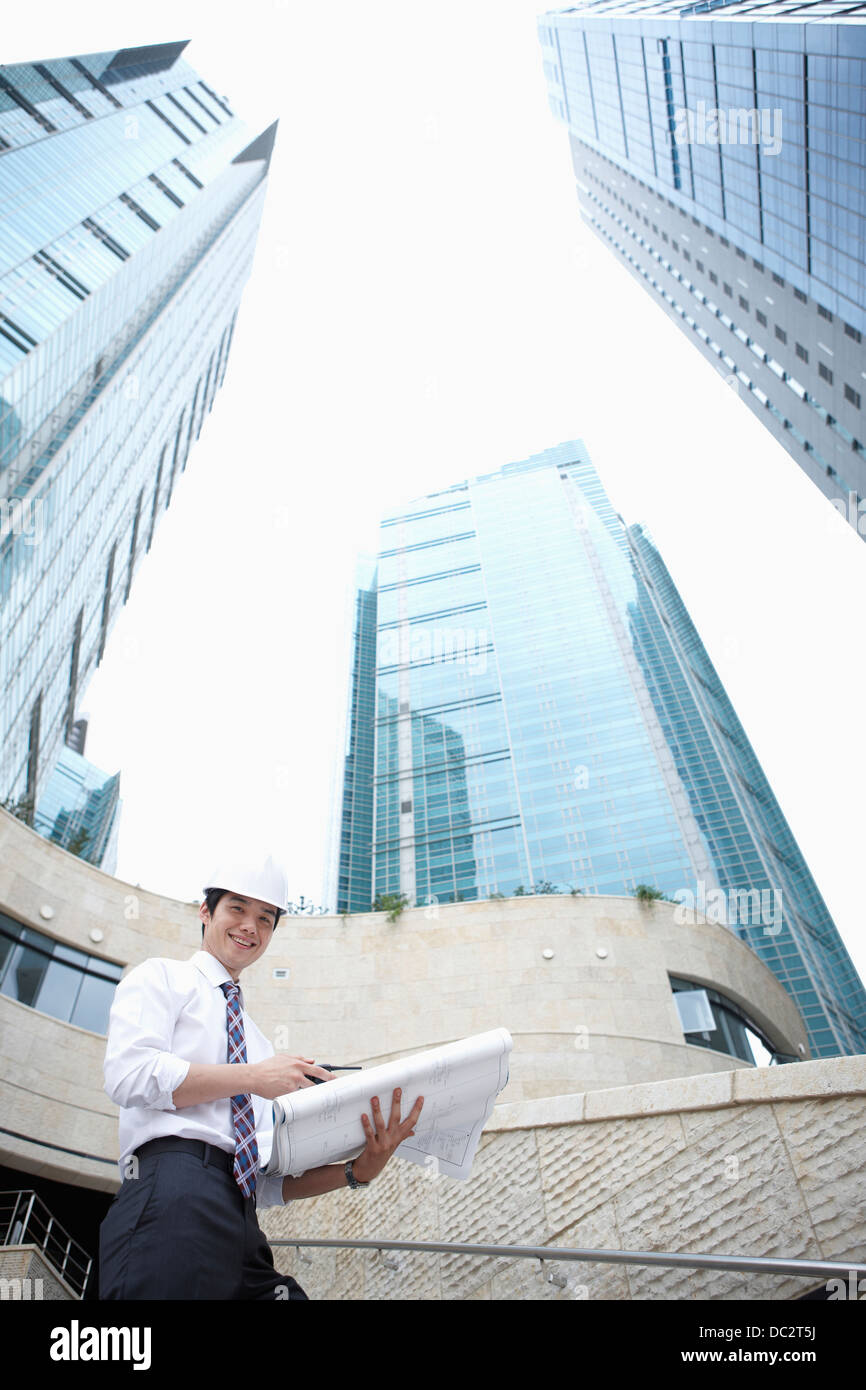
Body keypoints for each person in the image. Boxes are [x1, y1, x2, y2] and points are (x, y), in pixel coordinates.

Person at [98, 854, 424, 1300]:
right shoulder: (161, 978)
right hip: (172, 1196)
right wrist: (252, 1077)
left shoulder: (260, 1044)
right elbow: (129, 1075)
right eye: (237, 908)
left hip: (243, 1220)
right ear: (205, 911)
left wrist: (356, 1170)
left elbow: (266, 1179)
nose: (251, 926)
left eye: (265, 918)